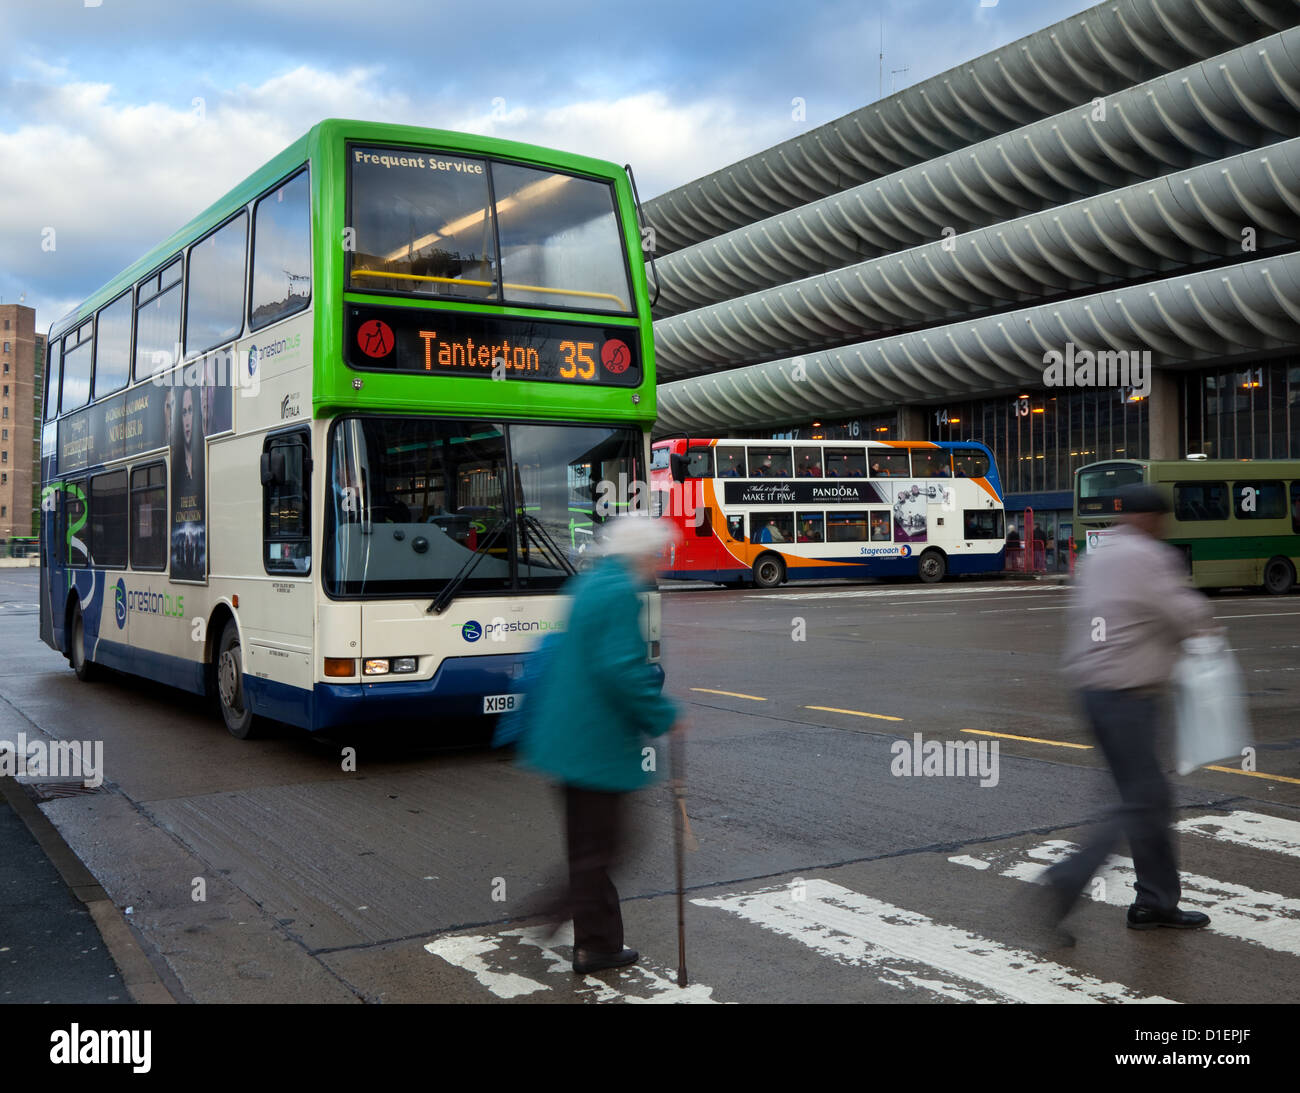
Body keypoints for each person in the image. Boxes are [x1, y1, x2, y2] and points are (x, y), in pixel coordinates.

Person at [1034, 484, 1214, 943]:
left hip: (1093, 693)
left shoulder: (1100, 555)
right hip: (1128, 698)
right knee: (1140, 802)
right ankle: (1068, 880)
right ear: (1151, 518)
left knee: (1146, 801)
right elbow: (1185, 615)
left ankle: (1154, 902)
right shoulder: (1148, 557)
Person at [517, 516, 683, 974]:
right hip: (592, 743)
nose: (660, 565)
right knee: (607, 847)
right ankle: (554, 915)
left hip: (565, 738)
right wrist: (665, 716)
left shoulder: (590, 584)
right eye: (656, 555)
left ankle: (598, 945)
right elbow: (622, 670)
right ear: (639, 554)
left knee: (589, 848)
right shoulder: (618, 594)